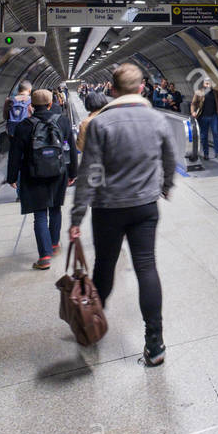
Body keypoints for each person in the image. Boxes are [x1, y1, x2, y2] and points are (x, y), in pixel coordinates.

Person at [70, 63, 178, 365]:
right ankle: (155, 342)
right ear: (141, 88)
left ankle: (93, 326)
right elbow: (170, 158)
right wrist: (166, 186)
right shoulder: (157, 119)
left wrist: (76, 218)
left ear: (112, 90)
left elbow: (89, 172)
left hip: (108, 208)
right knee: (147, 268)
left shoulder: (100, 124)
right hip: (145, 206)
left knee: (104, 266)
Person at [7, 88, 77, 270]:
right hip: (58, 172)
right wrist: (73, 173)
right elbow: (71, 148)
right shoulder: (62, 121)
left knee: (39, 215)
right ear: (50, 104)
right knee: (55, 209)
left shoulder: (24, 126)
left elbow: (15, 154)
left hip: (33, 175)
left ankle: (44, 257)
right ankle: (54, 244)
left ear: (31, 106)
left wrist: (12, 177)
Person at [191, 79, 218, 159]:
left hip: (214, 116)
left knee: (215, 133)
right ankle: (206, 154)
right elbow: (193, 104)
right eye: (207, 83)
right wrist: (193, 112)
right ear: (204, 84)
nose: (208, 84)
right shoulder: (199, 92)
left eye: (210, 83)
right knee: (204, 136)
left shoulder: (215, 92)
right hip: (203, 117)